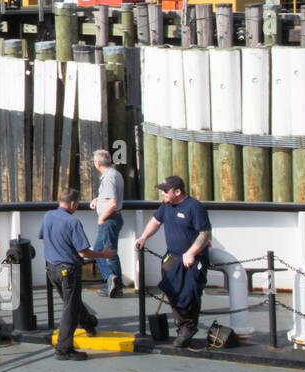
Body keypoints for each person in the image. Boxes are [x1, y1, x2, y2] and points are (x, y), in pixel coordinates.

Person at [39, 187, 117, 360]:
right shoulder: (73, 222)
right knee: (70, 309)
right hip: (68, 271)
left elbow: (44, 239)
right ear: (73, 203)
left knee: (71, 302)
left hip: (52, 269)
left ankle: (88, 322)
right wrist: (102, 255)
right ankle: (63, 349)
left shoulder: (48, 216)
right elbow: (83, 252)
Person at [134, 175, 212, 349]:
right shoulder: (166, 206)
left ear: (177, 191)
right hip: (173, 258)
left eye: (165, 191)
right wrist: (144, 237)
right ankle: (183, 326)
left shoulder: (195, 207)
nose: (162, 193)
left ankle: (188, 328)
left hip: (192, 259)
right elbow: (155, 221)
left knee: (189, 295)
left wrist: (191, 253)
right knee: (172, 291)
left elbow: (205, 234)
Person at [88, 149, 125, 297]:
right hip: (112, 218)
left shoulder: (109, 177)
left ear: (97, 163)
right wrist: (98, 200)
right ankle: (113, 282)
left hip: (109, 220)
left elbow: (113, 202)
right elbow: (110, 196)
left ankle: (112, 280)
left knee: (106, 252)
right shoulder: (114, 174)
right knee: (101, 250)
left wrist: (102, 217)